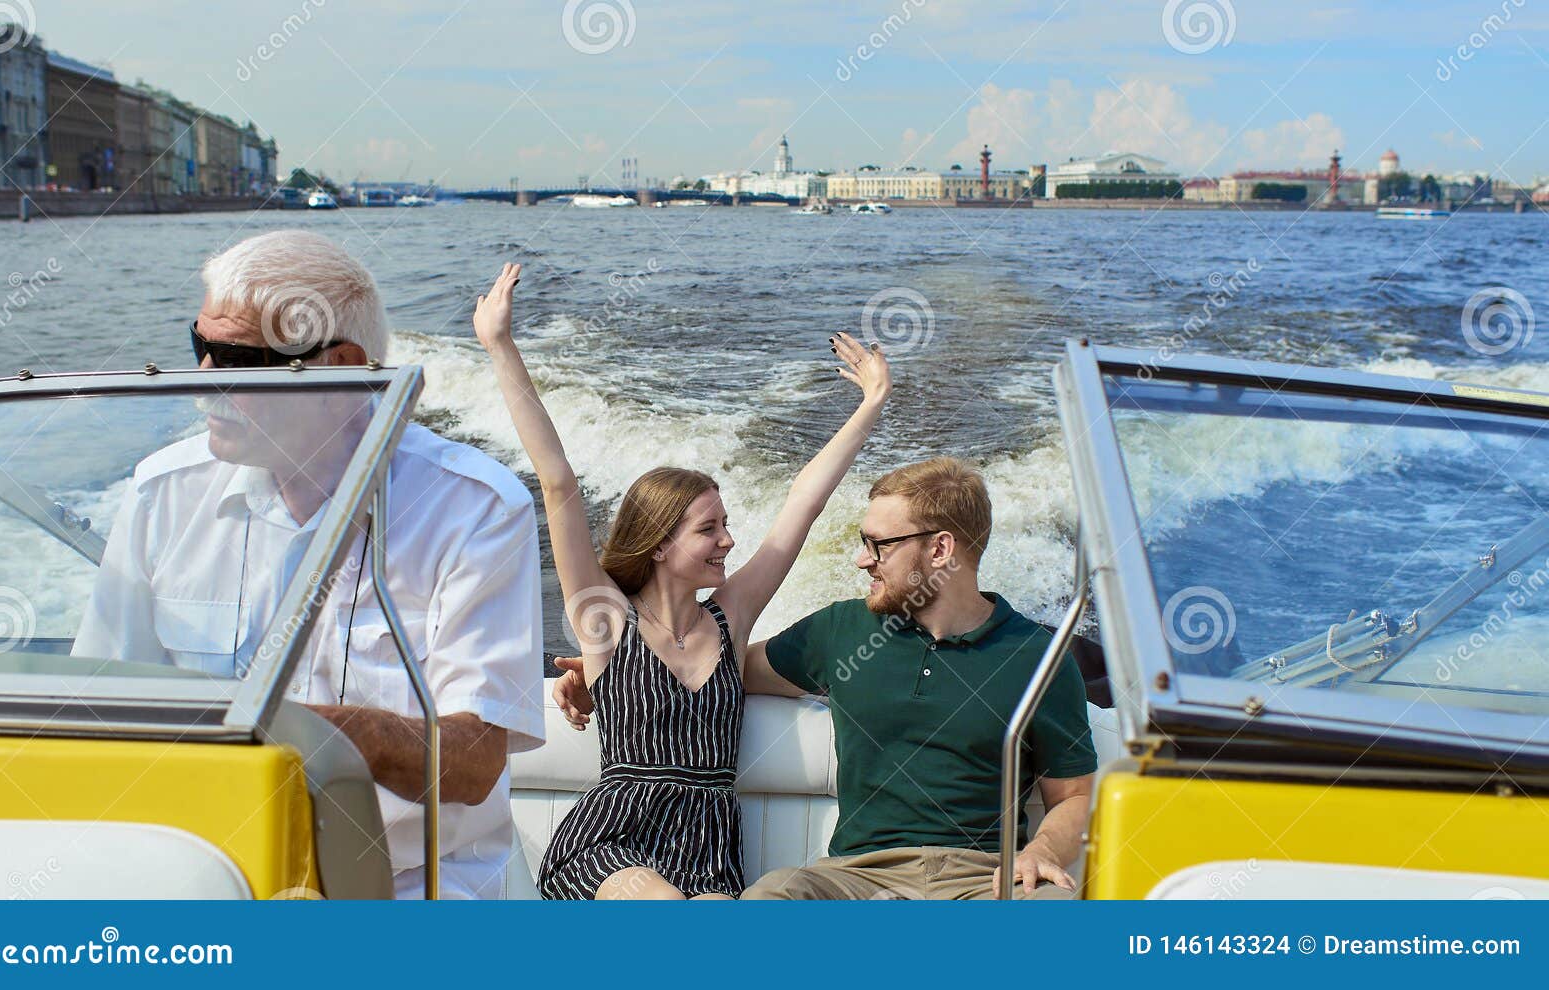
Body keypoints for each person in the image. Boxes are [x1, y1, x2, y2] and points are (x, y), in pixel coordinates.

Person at [73, 230, 546, 899]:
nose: (201, 383)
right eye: (198, 346)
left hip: (410, 884)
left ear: (340, 368)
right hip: (203, 868)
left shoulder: (475, 508)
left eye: (235, 360)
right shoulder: (162, 493)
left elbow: (474, 763)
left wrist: (310, 736)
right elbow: (98, 709)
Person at [473, 262, 892, 899]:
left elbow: (803, 505)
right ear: (661, 542)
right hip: (612, 842)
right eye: (709, 529)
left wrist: (872, 403)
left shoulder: (730, 617)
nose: (728, 541)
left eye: (726, 525)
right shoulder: (604, 617)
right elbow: (557, 482)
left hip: (708, 849)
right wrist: (500, 344)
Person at [556, 457, 1097, 899]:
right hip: (854, 880)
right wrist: (609, 675)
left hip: (984, 880)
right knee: (765, 903)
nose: (862, 560)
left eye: (879, 544)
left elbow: (1074, 795)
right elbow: (714, 669)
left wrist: (1043, 850)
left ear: (940, 549)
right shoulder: (841, 631)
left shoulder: (1038, 657)